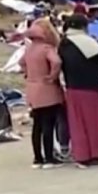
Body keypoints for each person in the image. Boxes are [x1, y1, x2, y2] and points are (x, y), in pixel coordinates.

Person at [59, 14, 98, 167]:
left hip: (73, 87)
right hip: (91, 87)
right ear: (83, 26)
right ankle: (90, 154)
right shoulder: (86, 41)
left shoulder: (63, 43)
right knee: (92, 124)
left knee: (79, 124)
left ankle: (84, 155)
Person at [20, 18, 65, 169]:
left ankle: (37, 158)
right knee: (48, 124)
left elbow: (21, 62)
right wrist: (52, 76)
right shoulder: (47, 48)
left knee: (37, 125)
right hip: (47, 88)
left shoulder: (29, 49)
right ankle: (49, 158)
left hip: (32, 89)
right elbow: (56, 62)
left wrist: (27, 73)